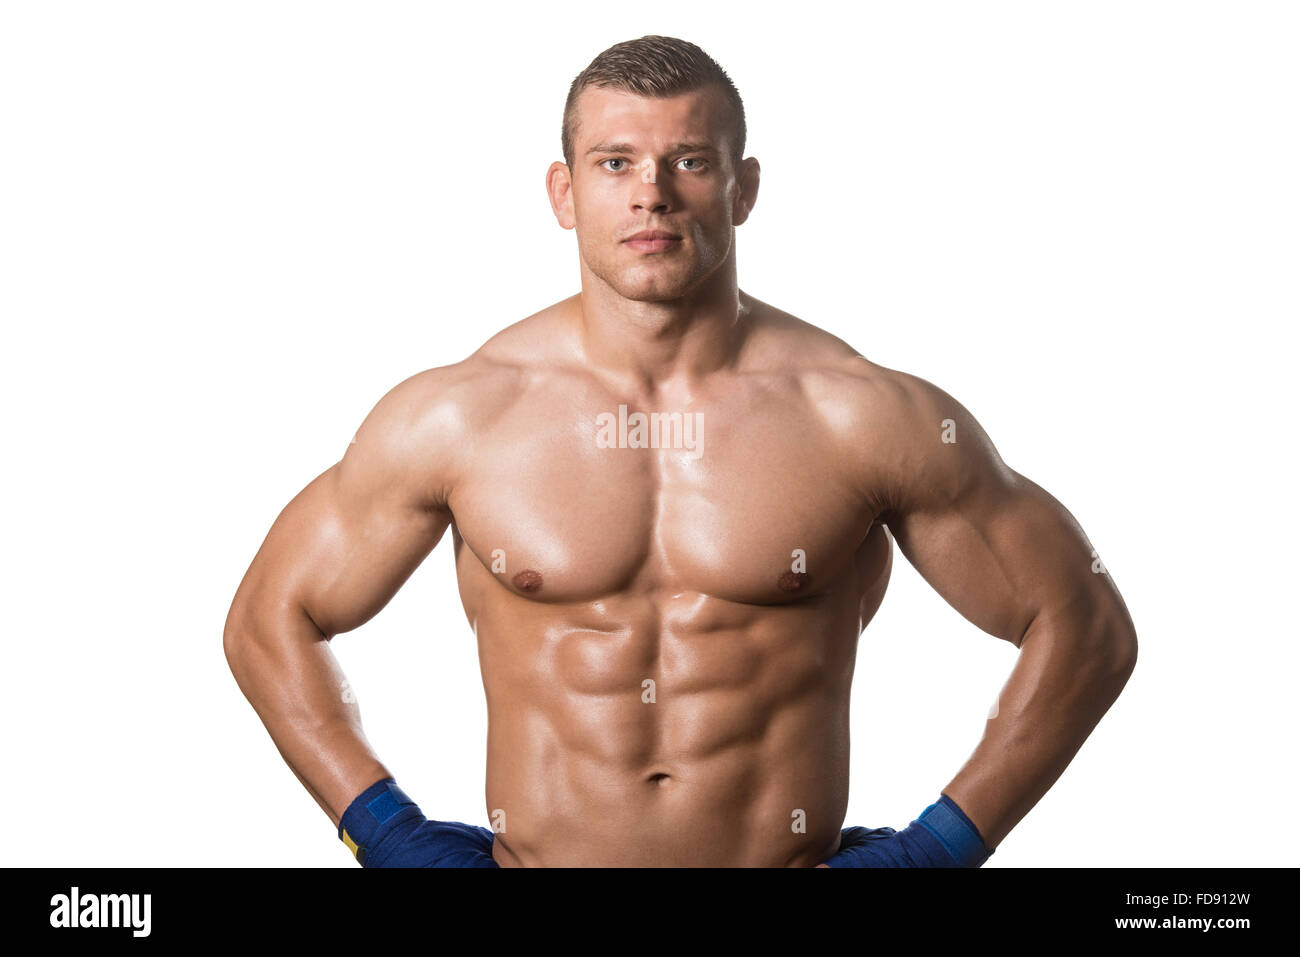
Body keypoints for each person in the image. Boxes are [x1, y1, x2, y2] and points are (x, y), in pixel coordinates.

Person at [223, 35, 1138, 867]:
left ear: (742, 188)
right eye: (614, 162)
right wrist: (383, 831)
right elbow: (272, 617)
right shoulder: (462, 415)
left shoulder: (862, 414)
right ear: (564, 192)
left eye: (689, 161)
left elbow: (1083, 625)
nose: (651, 191)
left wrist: (938, 849)